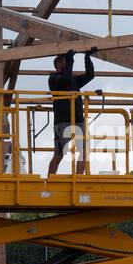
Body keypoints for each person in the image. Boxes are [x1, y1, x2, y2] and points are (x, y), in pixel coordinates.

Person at [47, 47, 96, 175]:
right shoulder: (54, 79)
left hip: (78, 121)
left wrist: (87, 57)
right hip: (63, 123)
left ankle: (78, 180)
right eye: (64, 61)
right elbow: (66, 78)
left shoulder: (73, 80)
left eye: (66, 61)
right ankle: (50, 180)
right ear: (57, 64)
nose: (66, 63)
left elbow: (90, 75)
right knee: (59, 154)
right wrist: (70, 60)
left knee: (85, 151)